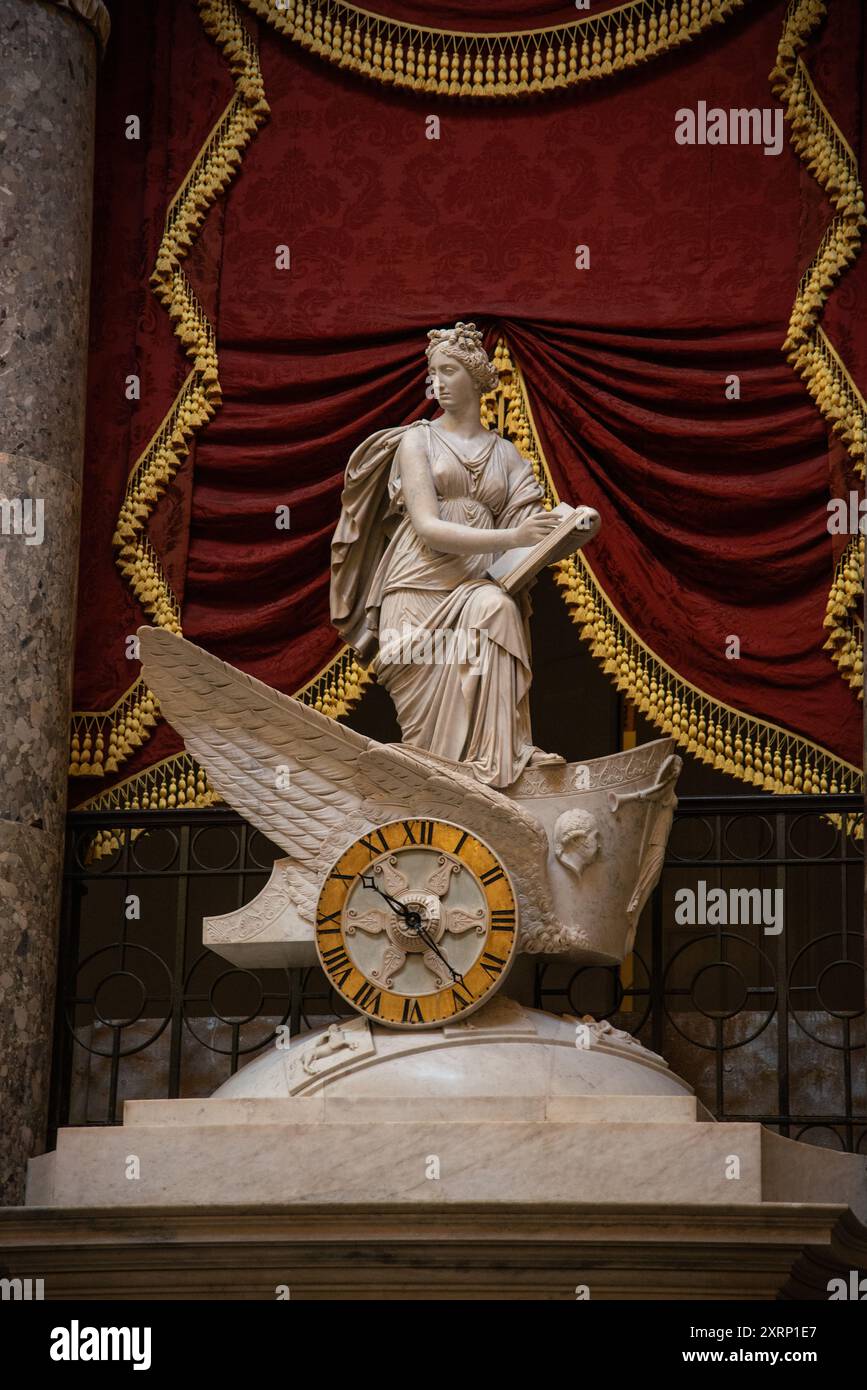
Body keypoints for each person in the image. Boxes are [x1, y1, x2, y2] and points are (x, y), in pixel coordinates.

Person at [331, 322, 569, 788]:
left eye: (448, 370)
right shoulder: (416, 441)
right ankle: (440, 794)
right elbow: (429, 528)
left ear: (476, 378)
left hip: (478, 585)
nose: (437, 382)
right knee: (427, 744)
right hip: (417, 587)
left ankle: (506, 758)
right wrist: (513, 536)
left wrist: (557, 533)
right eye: (433, 372)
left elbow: (528, 532)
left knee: (497, 609)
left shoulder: (507, 456)